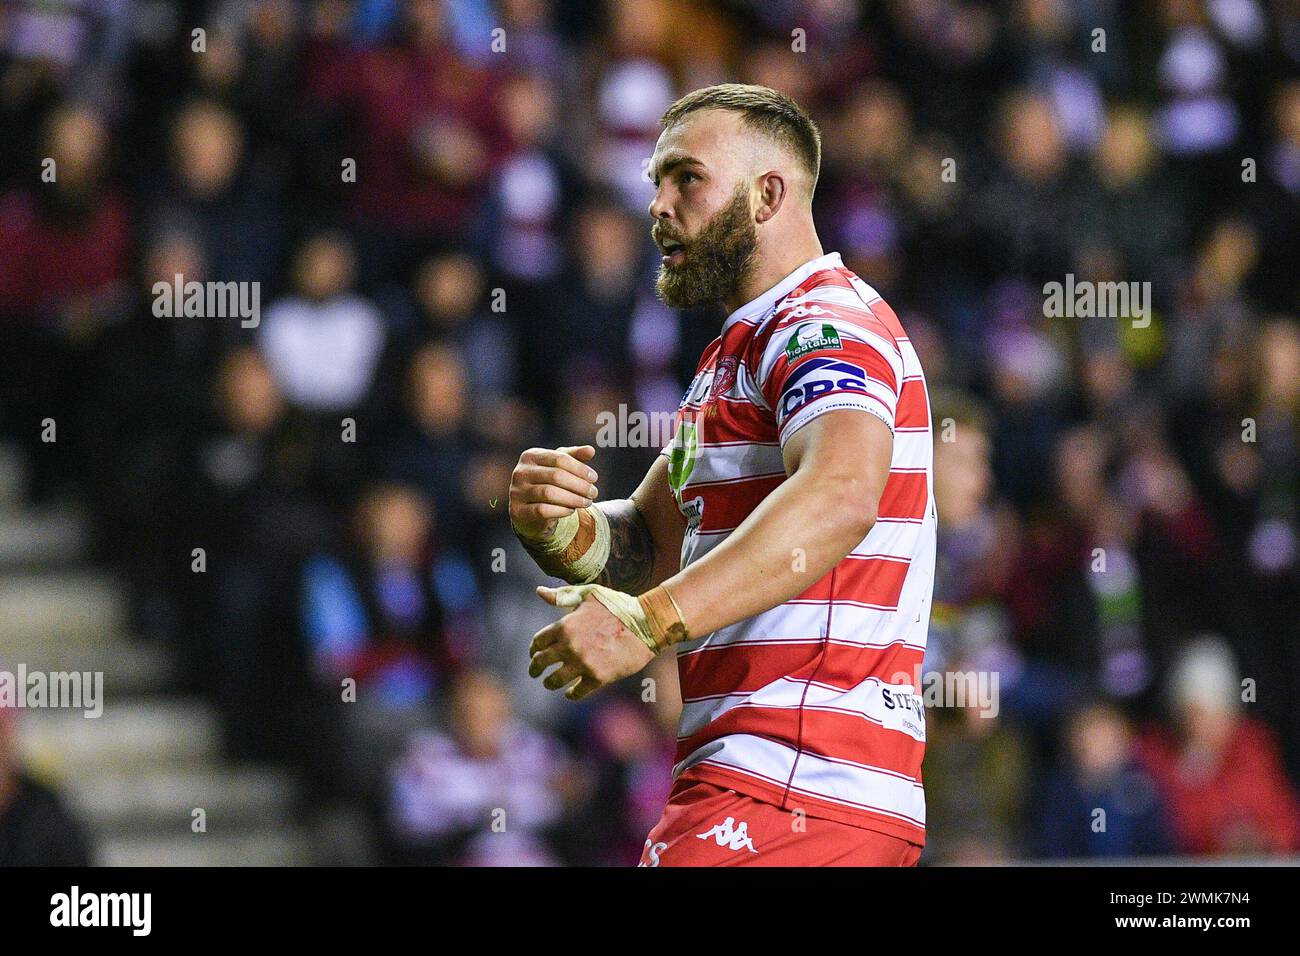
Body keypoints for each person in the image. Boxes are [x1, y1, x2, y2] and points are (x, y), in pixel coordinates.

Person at [508, 84, 935, 866]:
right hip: (787, 787)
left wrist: (643, 625)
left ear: (768, 194)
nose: (659, 206)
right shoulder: (735, 355)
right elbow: (646, 550)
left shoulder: (821, 326)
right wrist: (558, 525)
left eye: (686, 179)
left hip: (793, 779)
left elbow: (841, 496)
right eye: (656, 184)